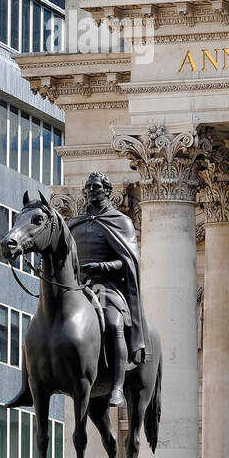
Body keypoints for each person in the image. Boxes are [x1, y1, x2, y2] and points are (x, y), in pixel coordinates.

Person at [68, 172, 147, 407]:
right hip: (76, 287)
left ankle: (117, 387)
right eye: (89, 187)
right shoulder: (74, 224)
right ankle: (28, 385)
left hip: (106, 286)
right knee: (37, 323)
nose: (92, 190)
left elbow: (128, 261)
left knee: (113, 323)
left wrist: (100, 266)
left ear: (107, 191)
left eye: (97, 186)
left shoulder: (120, 221)